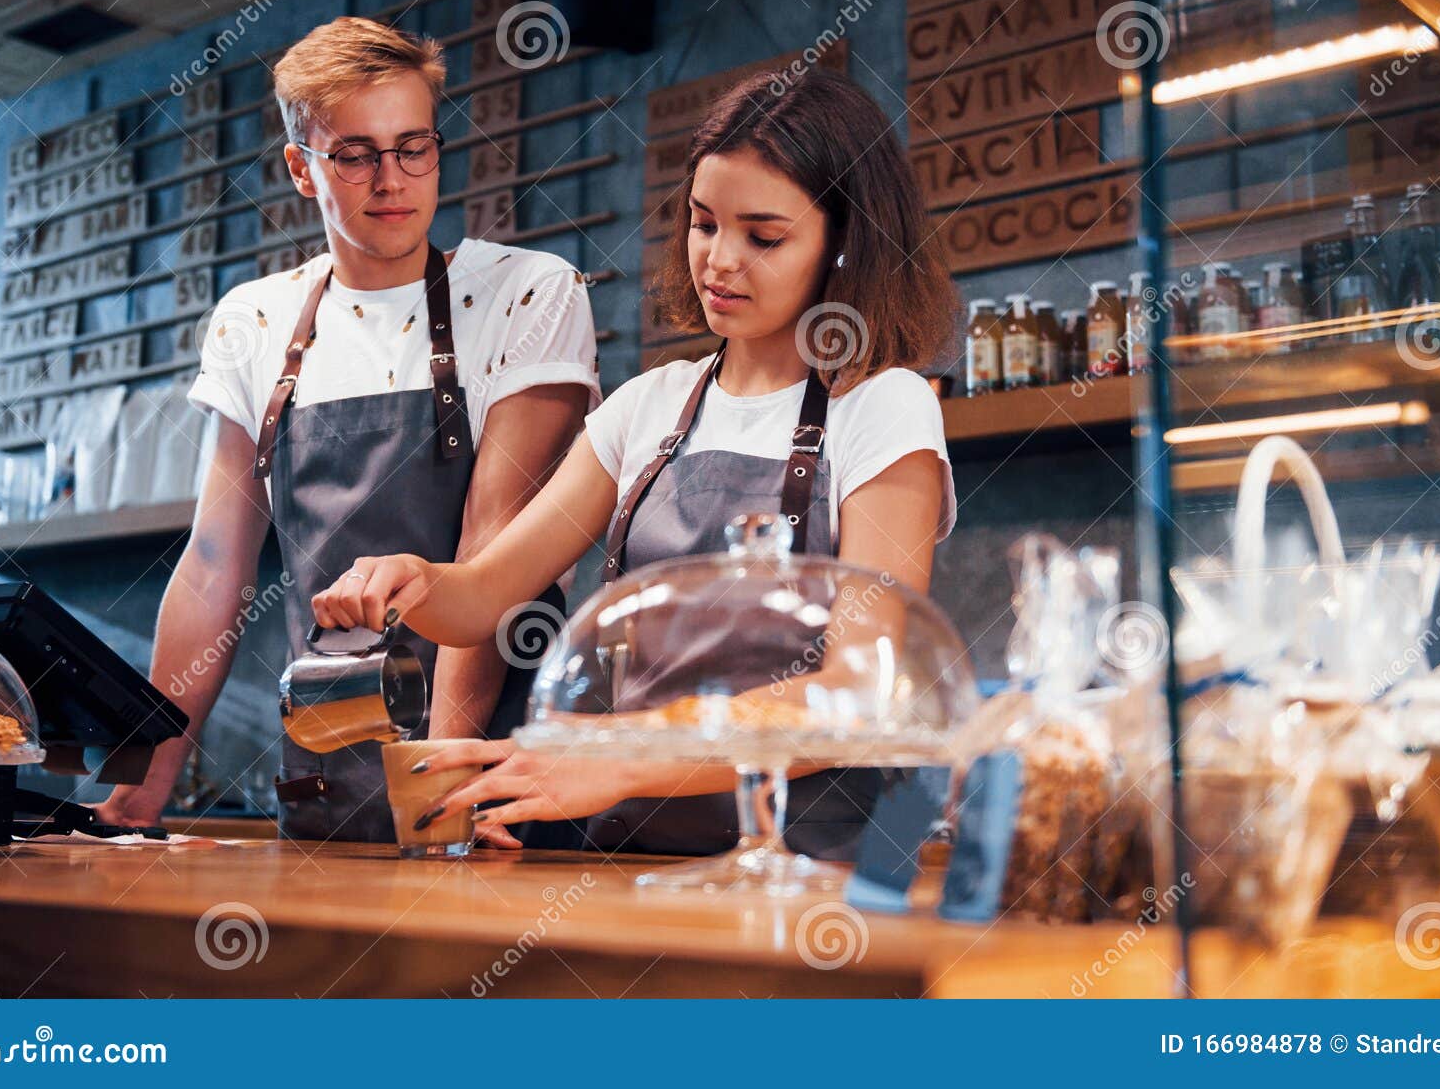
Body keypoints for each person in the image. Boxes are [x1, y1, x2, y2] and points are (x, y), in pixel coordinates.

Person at [309, 67, 956, 857]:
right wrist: (411, 582)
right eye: (703, 222)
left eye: (764, 236)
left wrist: (621, 756)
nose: (719, 260)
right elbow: (481, 600)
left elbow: (863, 690)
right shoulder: (647, 407)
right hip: (628, 864)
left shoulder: (882, 405)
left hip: (807, 876)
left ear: (844, 243)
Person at [93, 17, 601, 842]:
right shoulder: (253, 321)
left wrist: (443, 786)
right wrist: (142, 779)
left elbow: (491, 539)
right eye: (357, 155)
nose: (391, 180)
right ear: (302, 168)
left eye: (414, 147)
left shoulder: (528, 292)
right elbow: (214, 563)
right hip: (330, 773)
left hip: (495, 780)